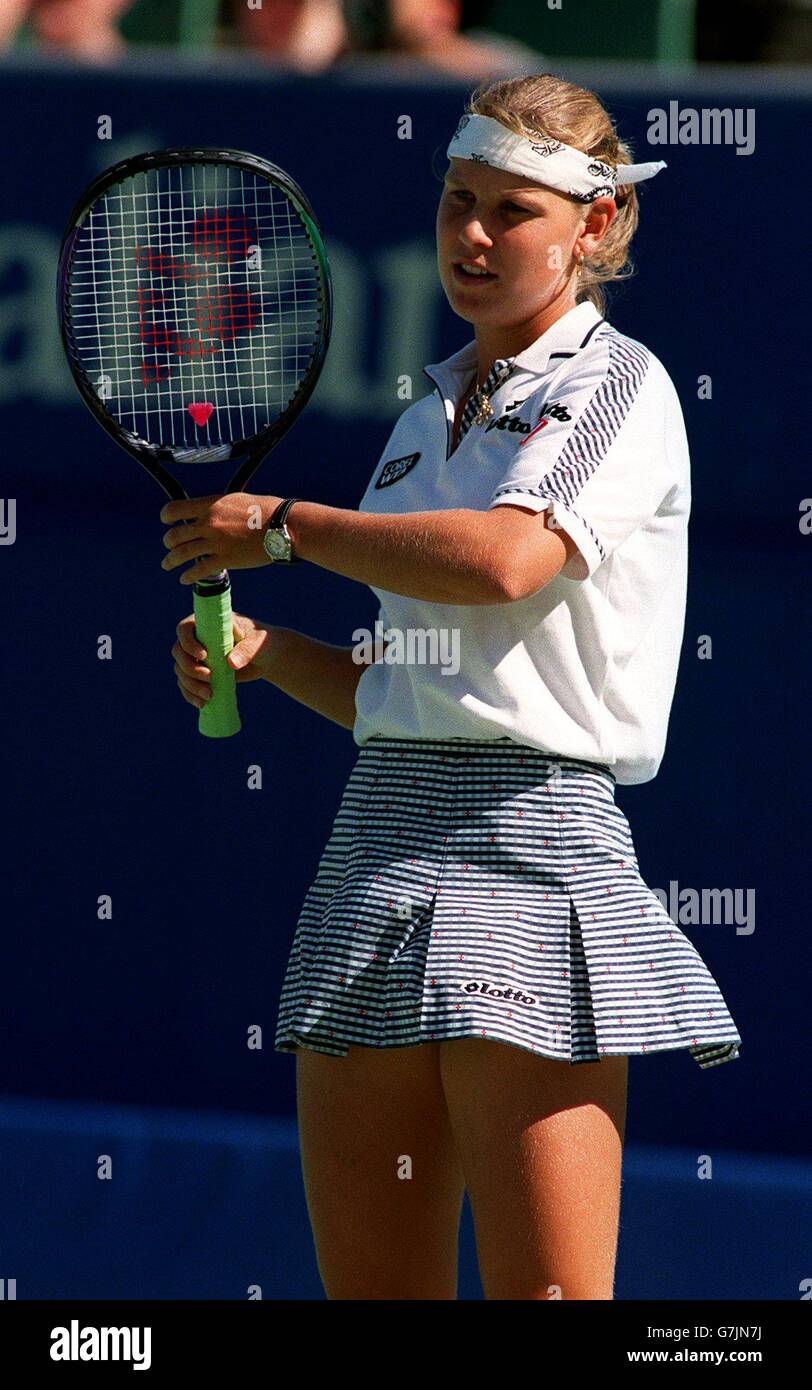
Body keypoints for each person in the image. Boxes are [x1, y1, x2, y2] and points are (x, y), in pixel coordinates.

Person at [165, 73, 742, 1300]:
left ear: (593, 228)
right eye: (455, 203)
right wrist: (270, 660)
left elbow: (507, 561)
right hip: (373, 850)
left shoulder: (616, 388)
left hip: (533, 849)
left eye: (512, 211)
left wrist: (286, 528)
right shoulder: (425, 413)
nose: (472, 236)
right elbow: (407, 684)